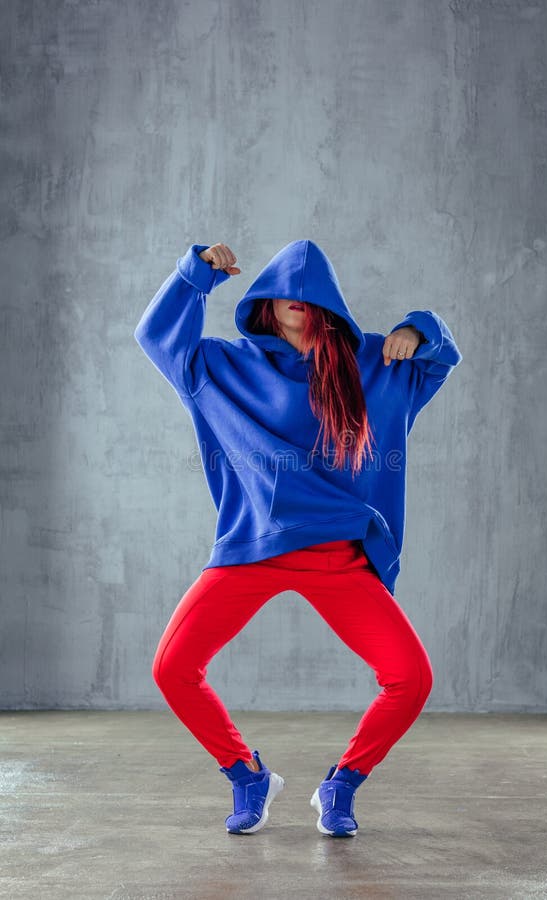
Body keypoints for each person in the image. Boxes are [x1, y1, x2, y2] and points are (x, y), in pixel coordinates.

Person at [133, 239, 462, 837]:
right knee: (172, 667)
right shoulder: (221, 368)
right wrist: (194, 275)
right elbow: (156, 336)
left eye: (310, 298)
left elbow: (441, 356)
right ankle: (247, 775)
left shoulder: (372, 365)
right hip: (254, 547)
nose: (297, 305)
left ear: (329, 305)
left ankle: (340, 785)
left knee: (411, 678)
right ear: (265, 303)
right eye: (285, 296)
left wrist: (417, 330)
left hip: (338, 555)